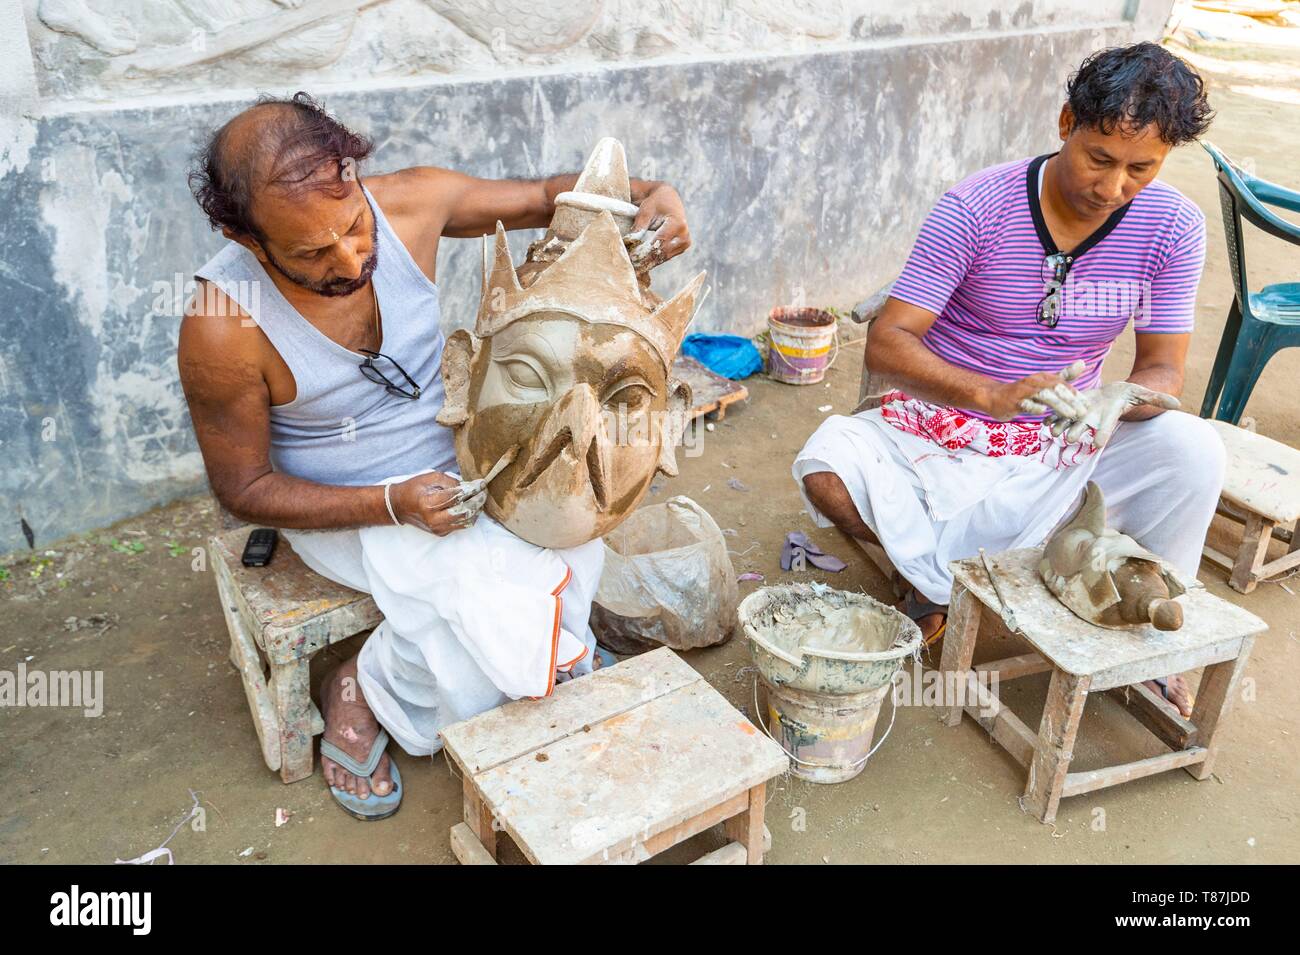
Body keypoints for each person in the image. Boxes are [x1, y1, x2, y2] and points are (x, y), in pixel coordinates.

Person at [178, 93, 691, 817]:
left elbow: (552, 198)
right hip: (347, 507)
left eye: (354, 226)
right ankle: (363, 687)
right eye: (309, 253)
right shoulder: (221, 323)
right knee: (477, 595)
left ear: (351, 172)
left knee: (575, 530)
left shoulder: (412, 204)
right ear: (244, 237)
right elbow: (245, 487)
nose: (351, 257)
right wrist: (391, 503)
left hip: (464, 459)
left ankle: (510, 655)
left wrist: (649, 195)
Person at [794, 43, 1218, 717]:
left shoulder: (1173, 227)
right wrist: (988, 394)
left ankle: (1145, 613)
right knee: (827, 467)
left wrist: (1119, 398)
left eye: (1142, 168)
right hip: (945, 428)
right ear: (1065, 122)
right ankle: (939, 582)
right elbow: (888, 342)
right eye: (1100, 159)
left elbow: (1164, 368)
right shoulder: (976, 206)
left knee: (1193, 451)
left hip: (1062, 441)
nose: (1113, 187)